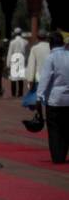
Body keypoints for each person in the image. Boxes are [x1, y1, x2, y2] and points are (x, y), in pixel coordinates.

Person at [35, 31, 68, 164]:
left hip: (55, 100)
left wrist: (39, 97)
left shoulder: (51, 58)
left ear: (50, 45)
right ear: (63, 43)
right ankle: (63, 154)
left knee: (54, 129)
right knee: (66, 128)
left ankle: (57, 156)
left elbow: (45, 79)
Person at [8, 27, 28, 98]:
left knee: (13, 78)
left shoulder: (12, 42)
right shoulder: (25, 42)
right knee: (20, 77)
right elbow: (27, 53)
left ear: (15, 34)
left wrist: (8, 64)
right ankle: (20, 93)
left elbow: (10, 53)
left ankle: (13, 94)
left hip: (14, 59)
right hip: (22, 59)